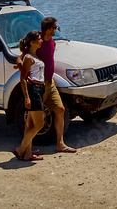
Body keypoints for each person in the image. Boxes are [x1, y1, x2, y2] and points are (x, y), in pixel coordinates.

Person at [39, 16, 77, 153]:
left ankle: (60, 144)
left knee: (60, 109)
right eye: (55, 27)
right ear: (49, 29)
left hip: (50, 83)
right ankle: (25, 148)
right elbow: (25, 55)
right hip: (40, 84)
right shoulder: (38, 42)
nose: (56, 30)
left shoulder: (51, 41)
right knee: (35, 117)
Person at [13, 31, 45, 162]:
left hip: (39, 89)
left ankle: (27, 154)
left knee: (30, 125)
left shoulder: (34, 56)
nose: (41, 41)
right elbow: (23, 78)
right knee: (39, 124)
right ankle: (21, 149)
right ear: (32, 42)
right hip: (34, 91)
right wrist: (27, 97)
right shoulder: (29, 58)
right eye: (39, 39)